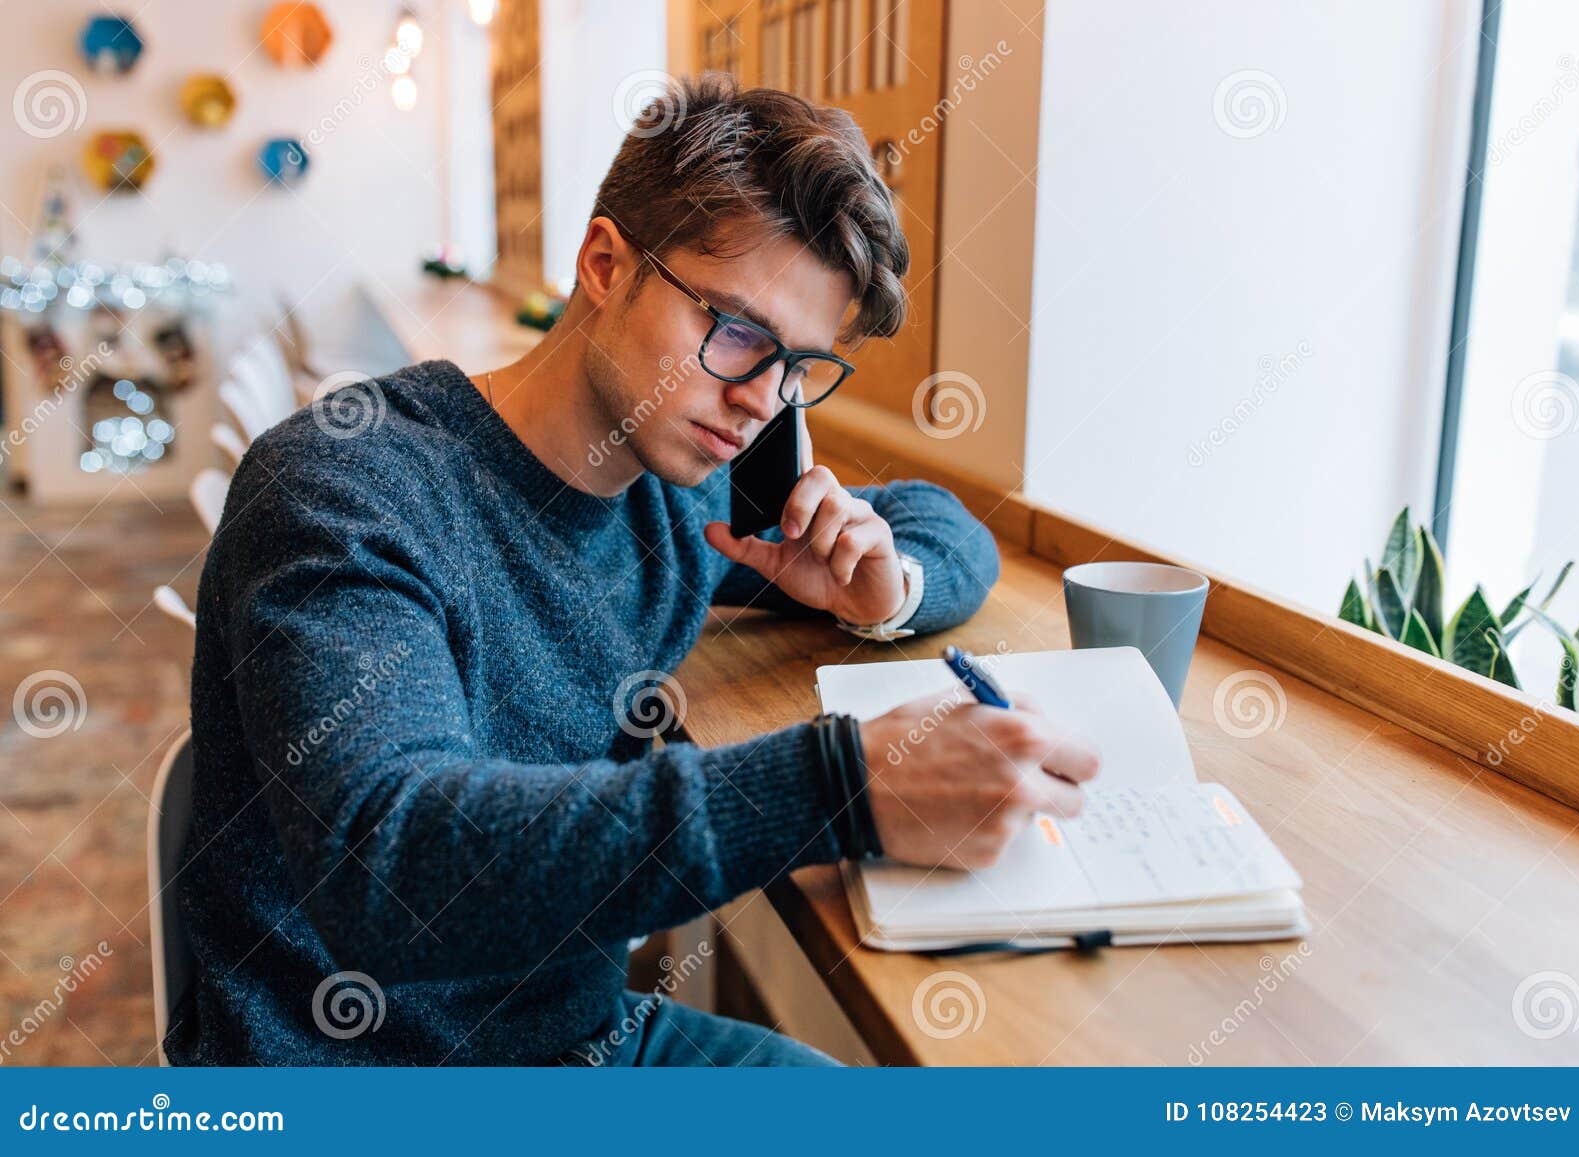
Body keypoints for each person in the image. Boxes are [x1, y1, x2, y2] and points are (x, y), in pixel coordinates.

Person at [170, 73, 1098, 1067]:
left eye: (798, 366)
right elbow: (392, 866)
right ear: (606, 264)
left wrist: (883, 583)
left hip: (573, 1039)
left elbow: (941, 521)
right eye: (736, 333)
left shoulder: (681, 493)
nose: (762, 402)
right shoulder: (346, 486)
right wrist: (843, 783)